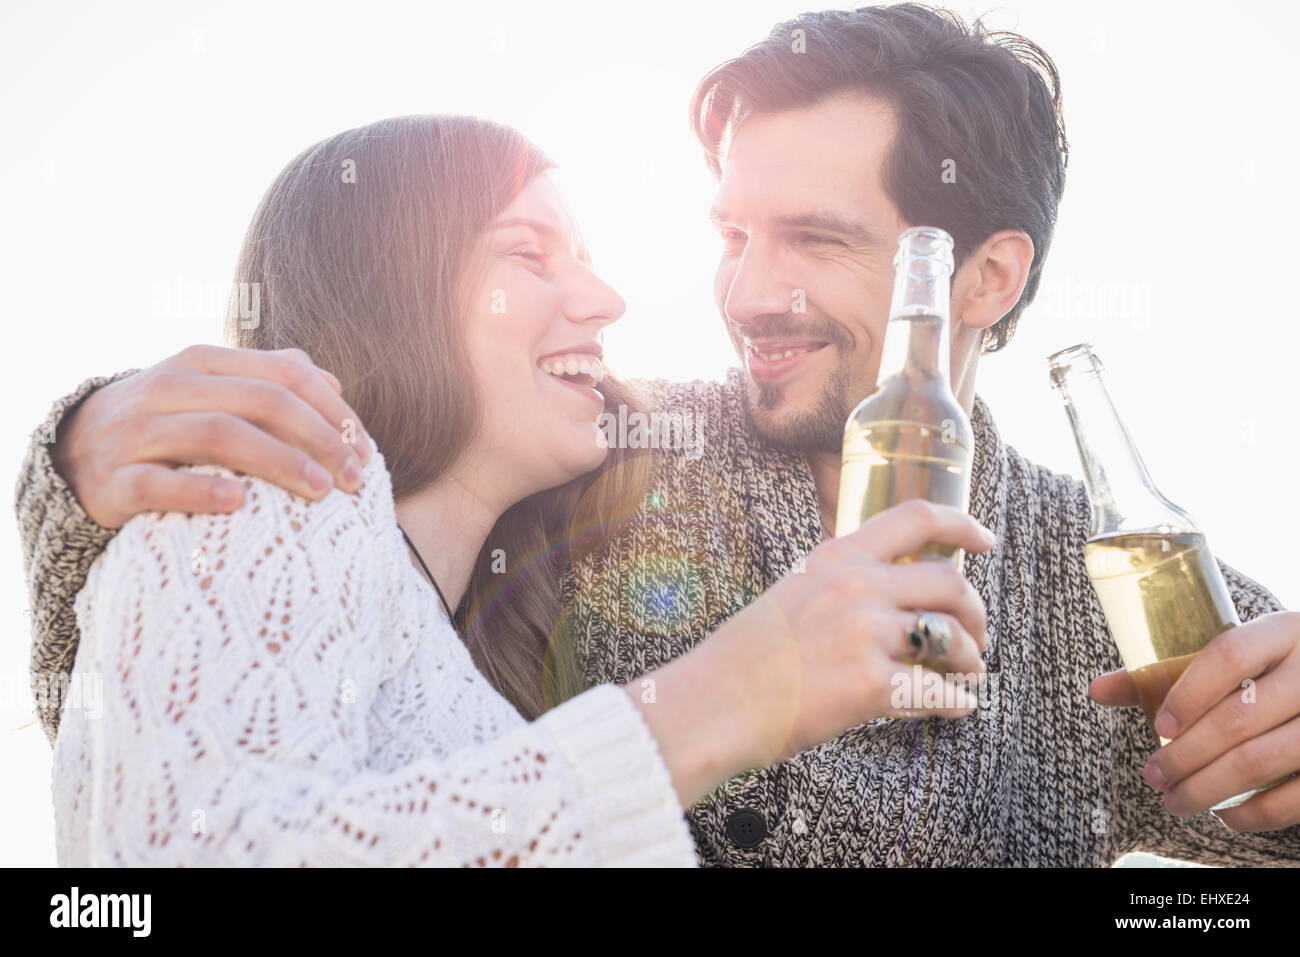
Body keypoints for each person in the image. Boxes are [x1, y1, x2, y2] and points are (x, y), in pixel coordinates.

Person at [19, 5, 1300, 866]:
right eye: (733, 235)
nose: (747, 291)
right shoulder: (612, 447)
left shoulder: (1107, 585)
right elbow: (239, 661)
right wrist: (79, 460)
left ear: (984, 279)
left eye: (813, 240)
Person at [24, 113, 996, 866]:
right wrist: (720, 701)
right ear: (384, 290)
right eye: (529, 254)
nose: (606, 299)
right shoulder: (279, 491)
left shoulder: (481, 641)